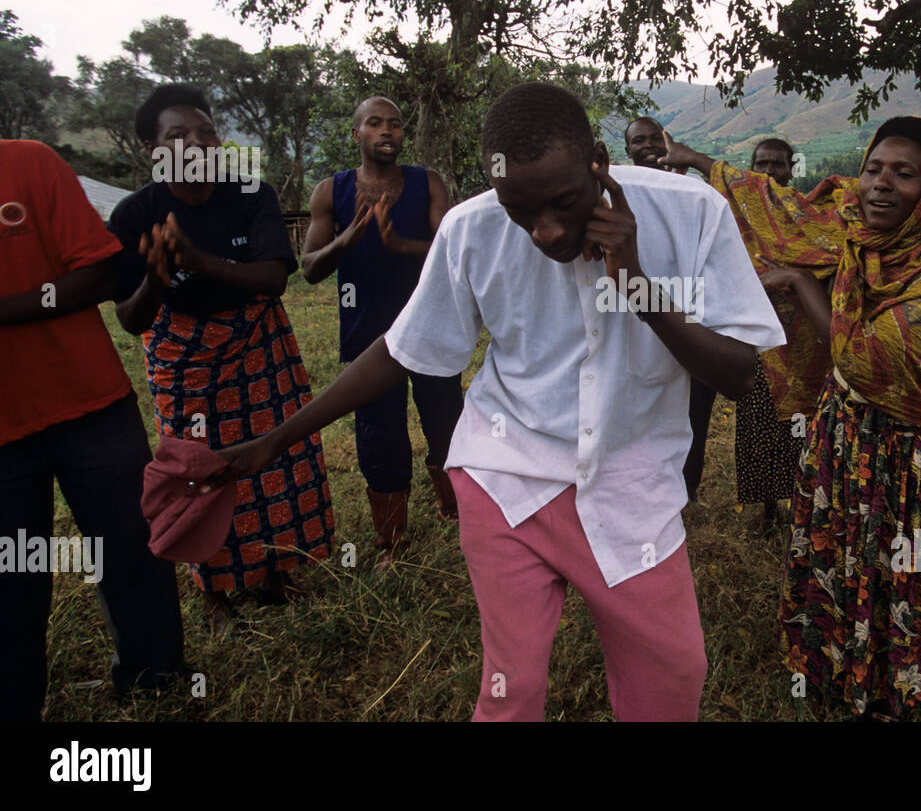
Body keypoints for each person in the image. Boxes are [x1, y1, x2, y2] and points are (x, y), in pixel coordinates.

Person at [207, 82, 786, 721]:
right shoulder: (471, 227)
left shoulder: (691, 210)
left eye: (562, 202)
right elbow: (404, 349)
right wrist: (274, 440)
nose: (543, 231)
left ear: (598, 159)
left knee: (673, 676)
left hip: (633, 489)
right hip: (507, 484)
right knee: (511, 691)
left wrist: (639, 287)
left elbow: (739, 373)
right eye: (521, 209)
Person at [661, 117, 921, 720]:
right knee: (849, 559)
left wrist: (799, 281)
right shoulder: (848, 225)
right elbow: (778, 204)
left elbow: (867, 358)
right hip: (846, 432)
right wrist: (697, 159)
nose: (881, 184)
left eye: (904, 174)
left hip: (916, 452)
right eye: (874, 169)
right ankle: (862, 682)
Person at [109, 84, 334, 635]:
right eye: (177, 134)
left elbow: (274, 278)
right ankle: (214, 592)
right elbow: (131, 319)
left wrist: (196, 259)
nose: (195, 142)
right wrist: (158, 283)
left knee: (278, 459)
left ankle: (277, 569)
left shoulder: (248, 193)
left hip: (256, 339)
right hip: (182, 350)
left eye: (206, 131)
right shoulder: (134, 214)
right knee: (196, 467)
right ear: (151, 150)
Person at [0, 139, 185, 721]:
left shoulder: (27, 163)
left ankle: (155, 681)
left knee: (129, 545)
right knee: (13, 574)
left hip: (89, 401)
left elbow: (100, 273)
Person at [300, 95, 463, 571]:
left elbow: (451, 250)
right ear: (357, 134)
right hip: (368, 334)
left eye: (394, 123)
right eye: (375, 124)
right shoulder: (330, 192)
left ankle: (454, 512)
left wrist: (399, 243)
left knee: (445, 426)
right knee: (379, 436)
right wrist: (349, 237)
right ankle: (392, 544)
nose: (387, 131)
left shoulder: (426, 183)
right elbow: (308, 268)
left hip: (430, 326)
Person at [729, 138, 832, 528]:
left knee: (806, 429)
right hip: (760, 341)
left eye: (778, 164)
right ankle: (767, 507)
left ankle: (805, 506)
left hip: (808, 345)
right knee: (759, 427)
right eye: (761, 164)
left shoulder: (809, 220)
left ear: (792, 169)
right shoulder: (738, 219)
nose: (769, 171)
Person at [623, 115, 714, 502]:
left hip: (694, 320)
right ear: (626, 151)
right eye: (638, 141)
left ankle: (685, 492)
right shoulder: (616, 192)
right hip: (631, 322)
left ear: (670, 143)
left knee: (694, 414)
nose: (648, 147)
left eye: (655, 139)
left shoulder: (697, 193)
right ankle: (637, 490)